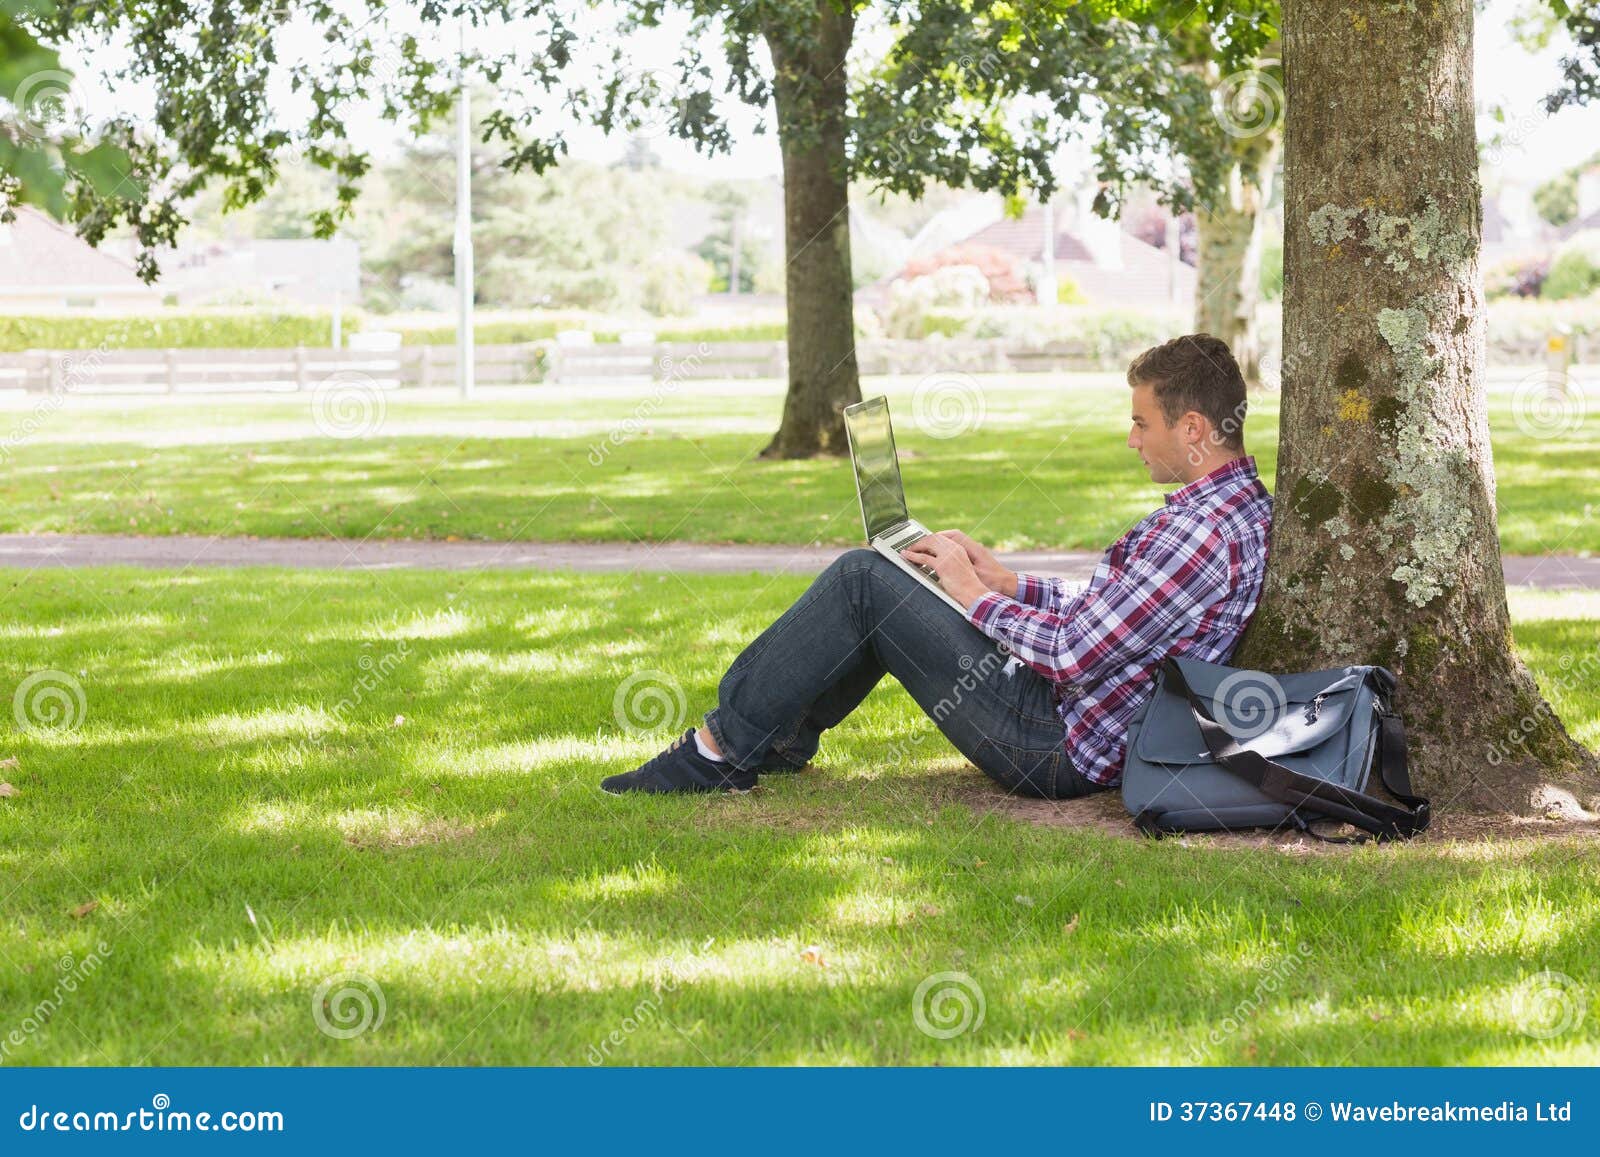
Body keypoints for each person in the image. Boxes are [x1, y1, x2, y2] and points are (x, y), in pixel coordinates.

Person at [601, 333, 1273, 799]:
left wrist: (970, 595)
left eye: (1141, 424)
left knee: (867, 580)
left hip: (1053, 743)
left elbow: (1071, 654)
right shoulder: (1234, 505)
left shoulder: (1200, 532)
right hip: (1066, 715)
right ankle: (774, 739)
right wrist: (1005, 582)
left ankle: (718, 750)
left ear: (1191, 429)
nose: (1131, 439)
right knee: (889, 577)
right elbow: (1117, 610)